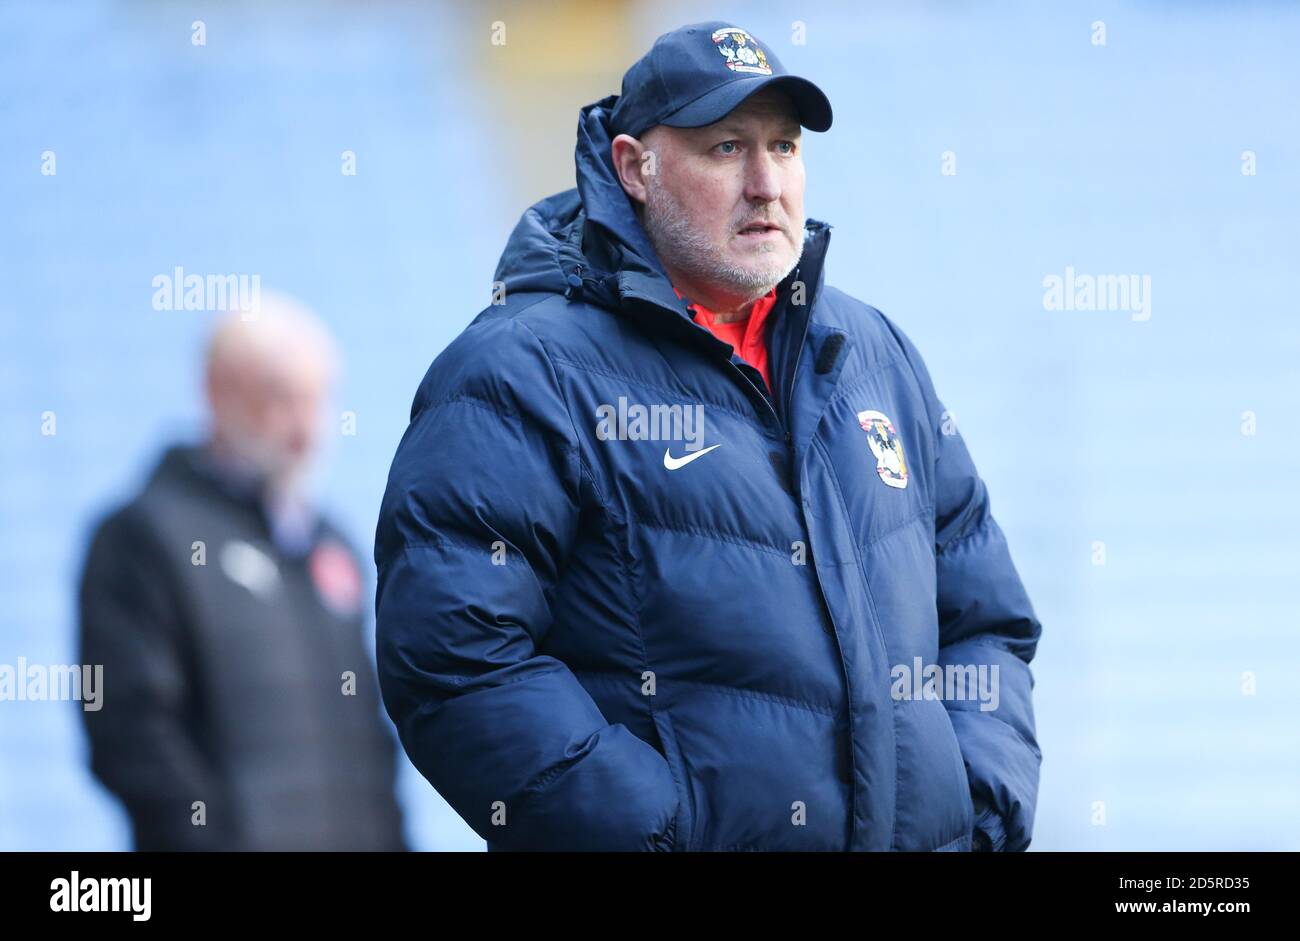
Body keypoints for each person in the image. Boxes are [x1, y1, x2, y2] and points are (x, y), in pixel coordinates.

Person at [375, 21, 1042, 851]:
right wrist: (661, 834)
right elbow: (455, 661)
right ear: (634, 168)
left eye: (785, 147)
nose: (767, 183)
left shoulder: (874, 356)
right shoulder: (520, 374)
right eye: (727, 148)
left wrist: (978, 809)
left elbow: (986, 618)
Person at [79, 293, 406, 851]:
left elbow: (369, 735)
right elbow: (130, 730)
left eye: (318, 400)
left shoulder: (331, 544)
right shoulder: (142, 537)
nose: (306, 429)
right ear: (216, 392)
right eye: (281, 399)